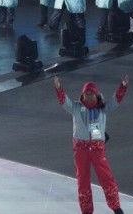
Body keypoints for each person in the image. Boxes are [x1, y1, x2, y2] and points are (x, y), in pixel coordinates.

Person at [53, 75, 128, 214]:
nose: (88, 96)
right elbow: (64, 102)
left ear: (96, 94)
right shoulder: (76, 107)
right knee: (83, 182)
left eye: (91, 93)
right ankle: (86, 211)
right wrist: (59, 89)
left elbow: (116, 100)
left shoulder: (102, 108)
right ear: (83, 95)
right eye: (86, 93)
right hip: (81, 150)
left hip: (97, 149)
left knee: (107, 178)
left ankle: (116, 207)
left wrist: (123, 87)